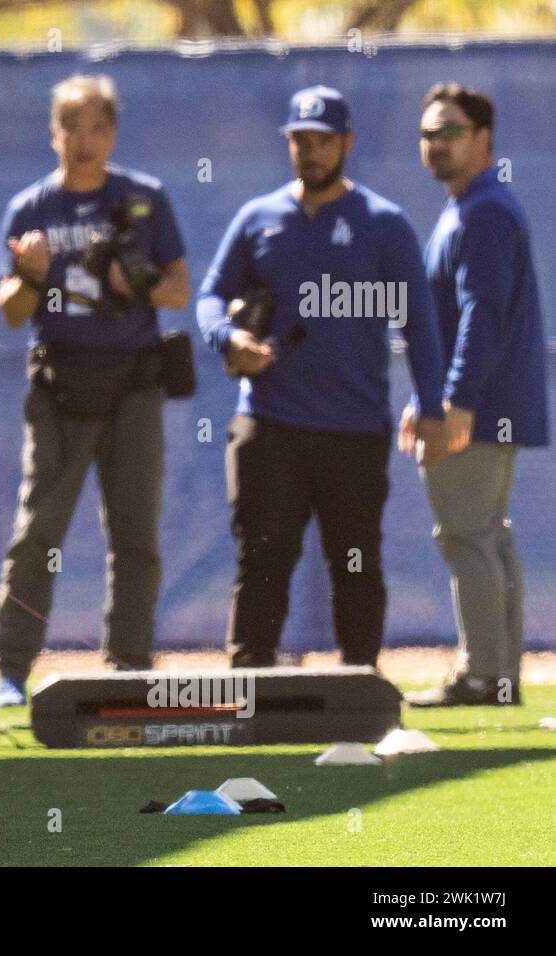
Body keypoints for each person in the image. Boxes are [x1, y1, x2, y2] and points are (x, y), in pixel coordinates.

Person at [196, 85, 446, 669]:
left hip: (354, 429)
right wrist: (227, 337)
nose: (310, 152)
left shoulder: (383, 225)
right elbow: (211, 296)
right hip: (269, 422)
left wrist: (431, 406)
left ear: (347, 144)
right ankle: (248, 685)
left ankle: (360, 687)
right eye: (300, 141)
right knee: (262, 558)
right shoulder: (259, 218)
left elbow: (420, 325)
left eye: (322, 141)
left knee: (355, 560)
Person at [0, 74, 190, 709]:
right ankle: (10, 674)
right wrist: (31, 276)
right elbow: (12, 312)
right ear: (54, 133)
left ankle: (128, 668)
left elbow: (180, 290)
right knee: (37, 533)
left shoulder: (144, 199)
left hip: (134, 384)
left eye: (97, 126)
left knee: (135, 535)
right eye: (71, 127)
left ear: (113, 133)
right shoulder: (31, 209)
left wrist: (136, 287)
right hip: (59, 389)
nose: (84, 139)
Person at [404, 84, 549, 707]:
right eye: (428, 133)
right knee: (487, 533)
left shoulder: (483, 211)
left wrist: (455, 402)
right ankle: (501, 677)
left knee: (466, 535)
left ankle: (484, 676)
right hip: (487, 402)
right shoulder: (471, 205)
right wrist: (427, 396)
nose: (436, 143)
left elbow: (481, 316)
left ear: (483, 139)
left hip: (480, 407)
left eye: (450, 131)